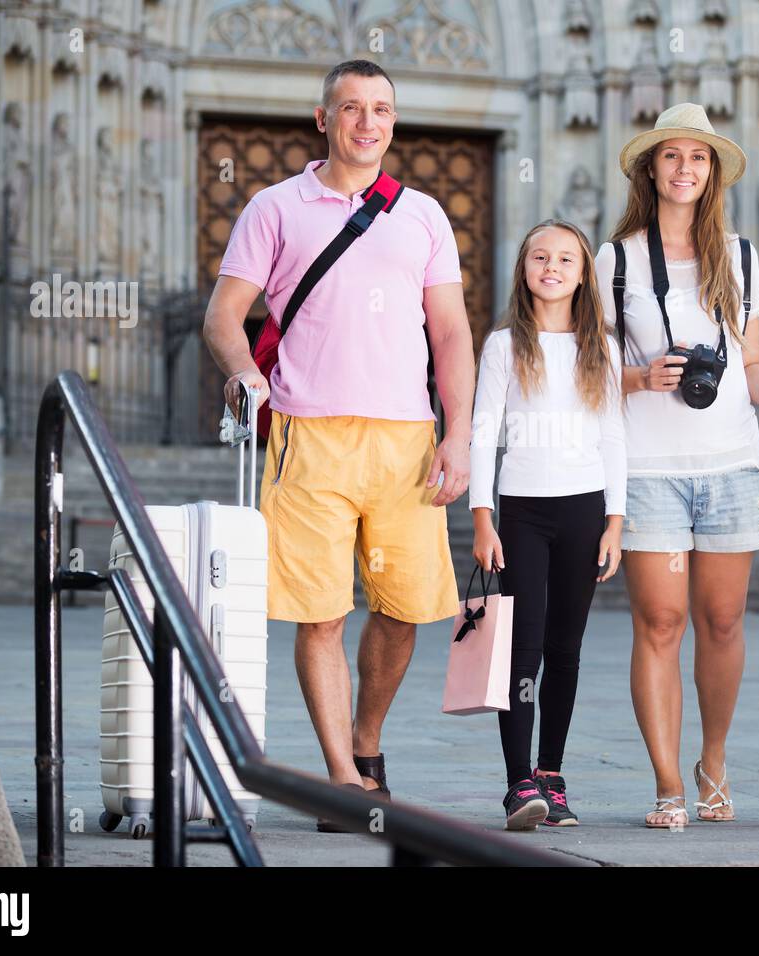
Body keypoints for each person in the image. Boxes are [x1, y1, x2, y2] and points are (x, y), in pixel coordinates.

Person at [201, 60, 474, 830]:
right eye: (351, 108)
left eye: (381, 109)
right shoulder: (275, 206)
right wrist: (244, 375)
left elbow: (450, 331)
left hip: (407, 442)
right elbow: (225, 317)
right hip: (307, 437)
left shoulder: (422, 214)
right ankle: (343, 779)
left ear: (393, 121)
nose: (367, 122)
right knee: (320, 615)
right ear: (323, 118)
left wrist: (460, 431)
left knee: (405, 607)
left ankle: (367, 740)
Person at [594, 104, 759, 828]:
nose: (686, 168)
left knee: (721, 621)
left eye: (699, 157)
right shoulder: (615, 259)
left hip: (730, 466)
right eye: (672, 155)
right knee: (660, 620)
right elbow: (588, 368)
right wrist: (638, 378)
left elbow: (748, 364)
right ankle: (666, 784)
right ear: (650, 169)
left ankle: (712, 761)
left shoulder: (741, 256)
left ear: (712, 171)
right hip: (649, 469)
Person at [470, 219, 625, 830]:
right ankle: (518, 783)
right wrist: (484, 519)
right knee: (521, 649)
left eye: (566, 258)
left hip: (584, 509)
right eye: (540, 256)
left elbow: (613, 432)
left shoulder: (602, 349)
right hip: (524, 513)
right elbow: (484, 434)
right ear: (525, 269)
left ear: (584, 273)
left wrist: (615, 519)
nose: (552, 267)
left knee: (566, 649)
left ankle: (553, 774)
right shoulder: (505, 345)